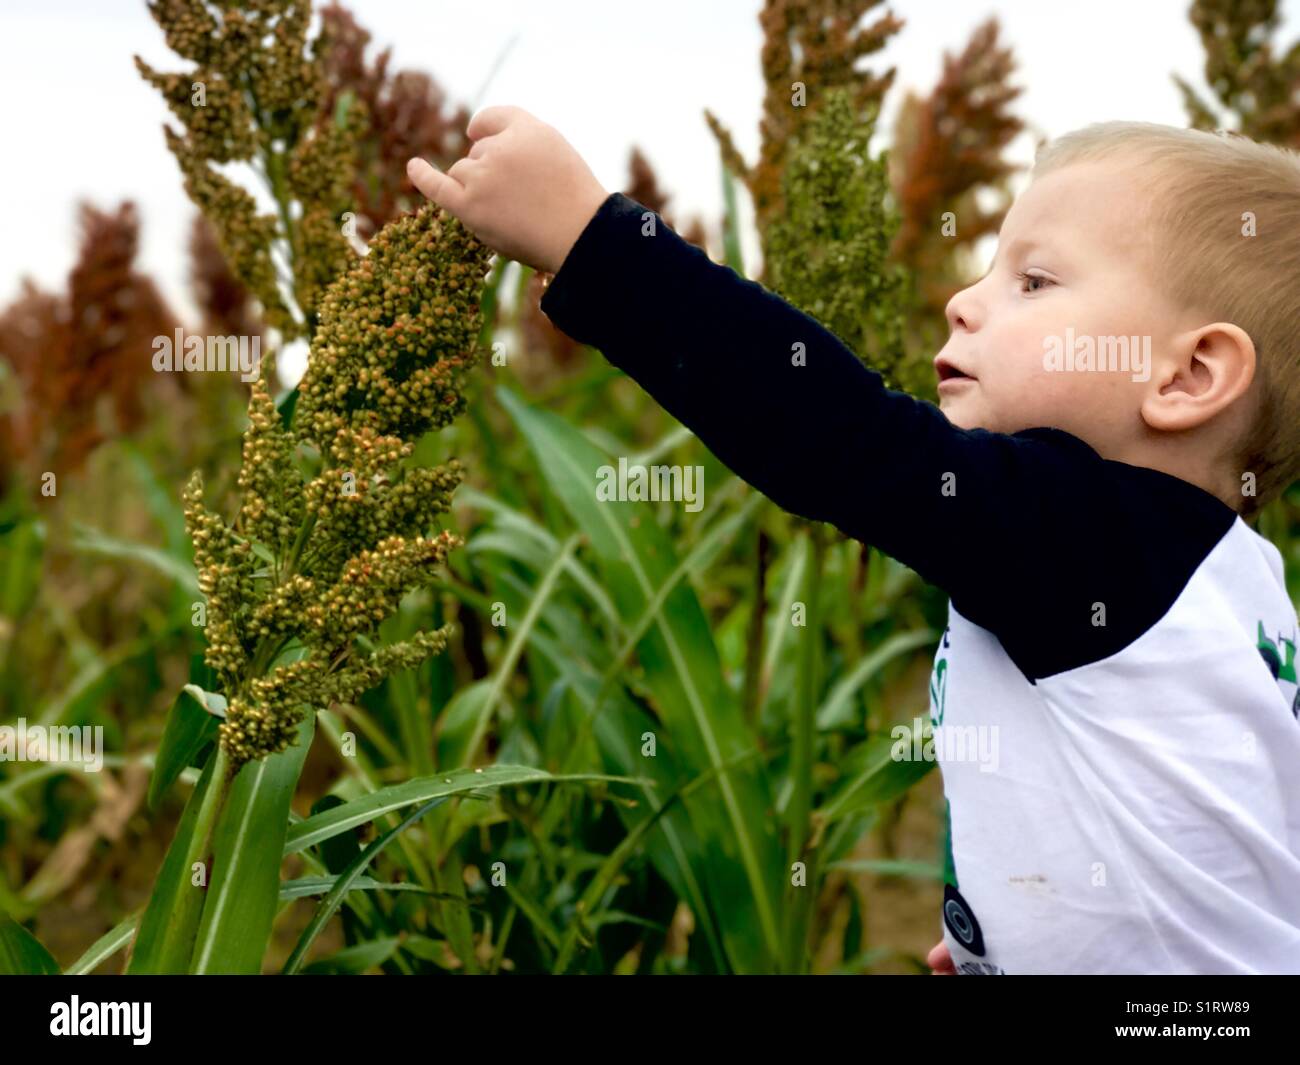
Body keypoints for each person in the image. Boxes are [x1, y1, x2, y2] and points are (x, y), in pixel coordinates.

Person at [408, 106, 1300, 974]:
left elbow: (838, 434)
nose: (962, 303)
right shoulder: (1238, 584)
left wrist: (592, 240)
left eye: (1034, 281)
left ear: (1189, 375)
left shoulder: (1095, 533)